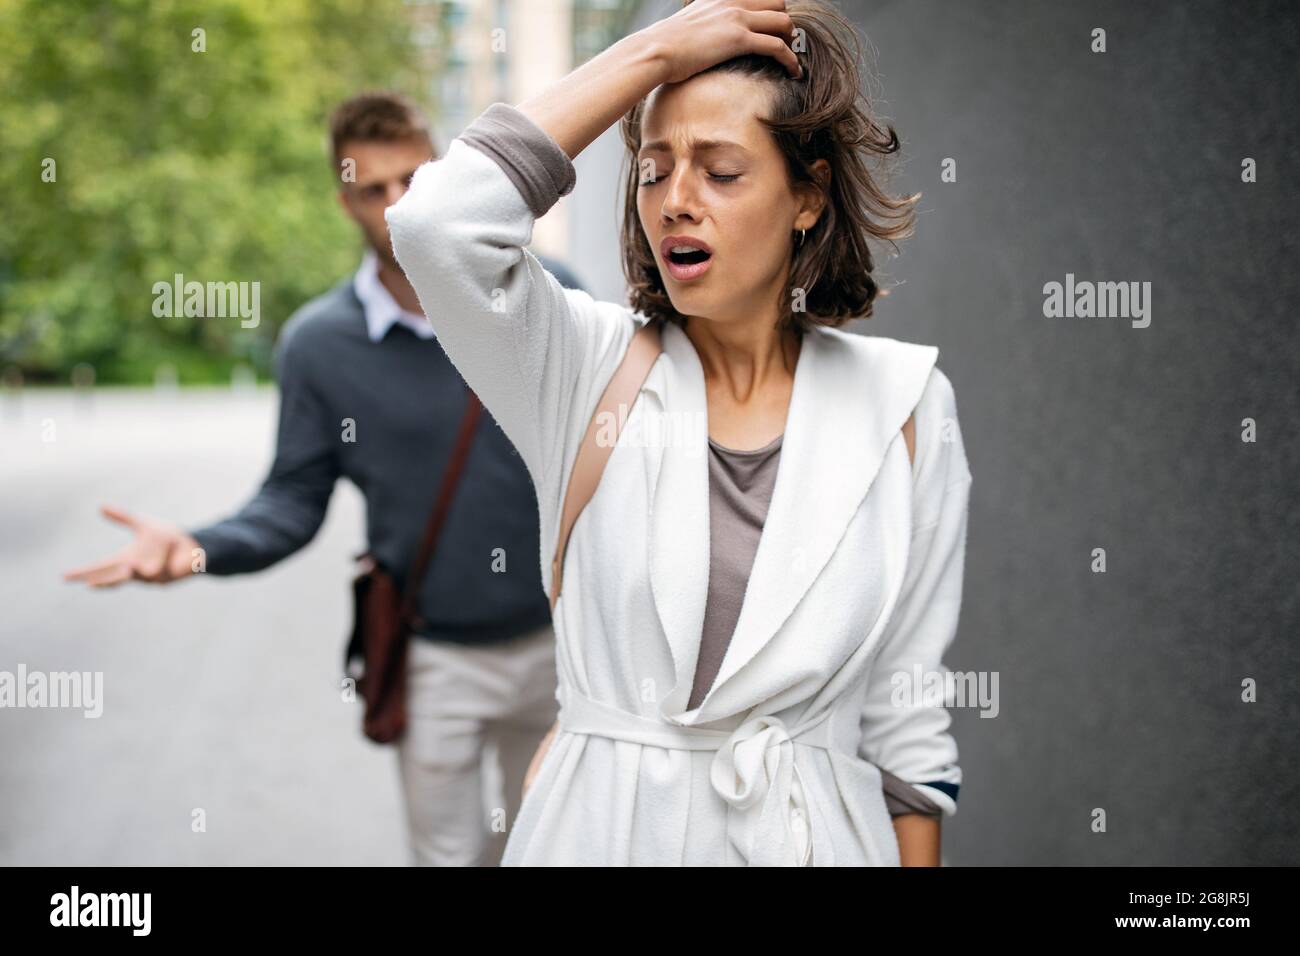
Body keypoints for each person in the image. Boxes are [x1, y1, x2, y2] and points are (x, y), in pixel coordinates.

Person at [385, 0, 973, 866]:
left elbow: (907, 716)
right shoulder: (583, 368)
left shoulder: (909, 405)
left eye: (722, 172)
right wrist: (653, 50)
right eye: (654, 170)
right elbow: (438, 227)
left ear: (807, 197)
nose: (675, 202)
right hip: (600, 837)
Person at [62, 91, 587, 867]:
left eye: (411, 179)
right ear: (346, 201)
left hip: (563, 646)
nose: (395, 205)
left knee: (556, 849)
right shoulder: (320, 346)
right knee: (450, 860)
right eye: (372, 190)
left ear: (442, 174)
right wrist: (198, 548)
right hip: (431, 657)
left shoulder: (541, 294)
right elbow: (292, 504)